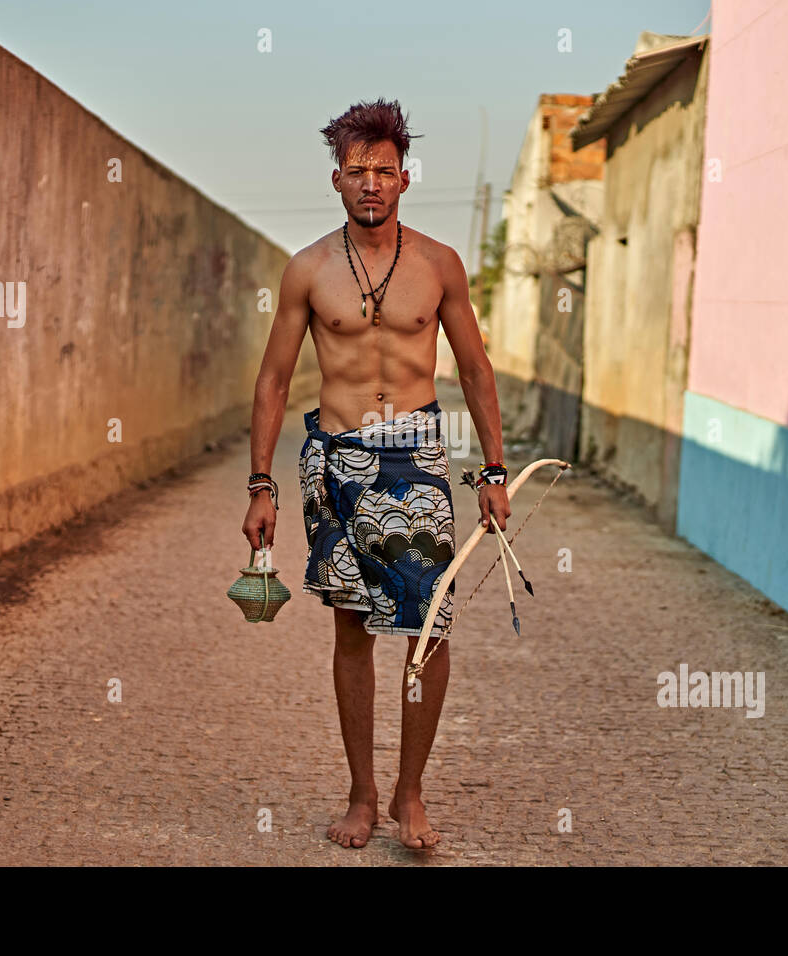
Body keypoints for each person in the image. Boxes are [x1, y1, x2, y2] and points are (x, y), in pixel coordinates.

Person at [241, 98, 510, 850]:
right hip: (335, 461)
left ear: (404, 179)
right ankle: (362, 794)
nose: (371, 184)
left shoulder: (438, 266)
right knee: (352, 629)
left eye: (384, 171)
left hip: (416, 460)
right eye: (357, 171)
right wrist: (260, 486)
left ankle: (410, 793)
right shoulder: (309, 271)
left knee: (428, 630)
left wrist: (493, 468)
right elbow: (271, 380)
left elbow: (476, 368)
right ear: (336, 180)